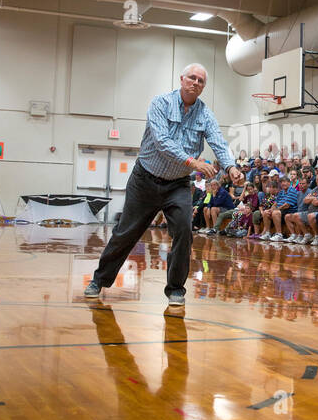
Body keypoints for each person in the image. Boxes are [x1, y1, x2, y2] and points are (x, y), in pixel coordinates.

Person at [85, 63, 240, 314]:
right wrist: (194, 162)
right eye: (192, 78)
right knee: (126, 233)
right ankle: (99, 280)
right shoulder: (160, 103)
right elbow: (162, 142)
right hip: (145, 180)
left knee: (184, 231)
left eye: (201, 81)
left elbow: (218, 142)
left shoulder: (205, 114)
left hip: (178, 185)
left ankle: (176, 289)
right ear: (182, 79)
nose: (196, 83)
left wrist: (231, 167)